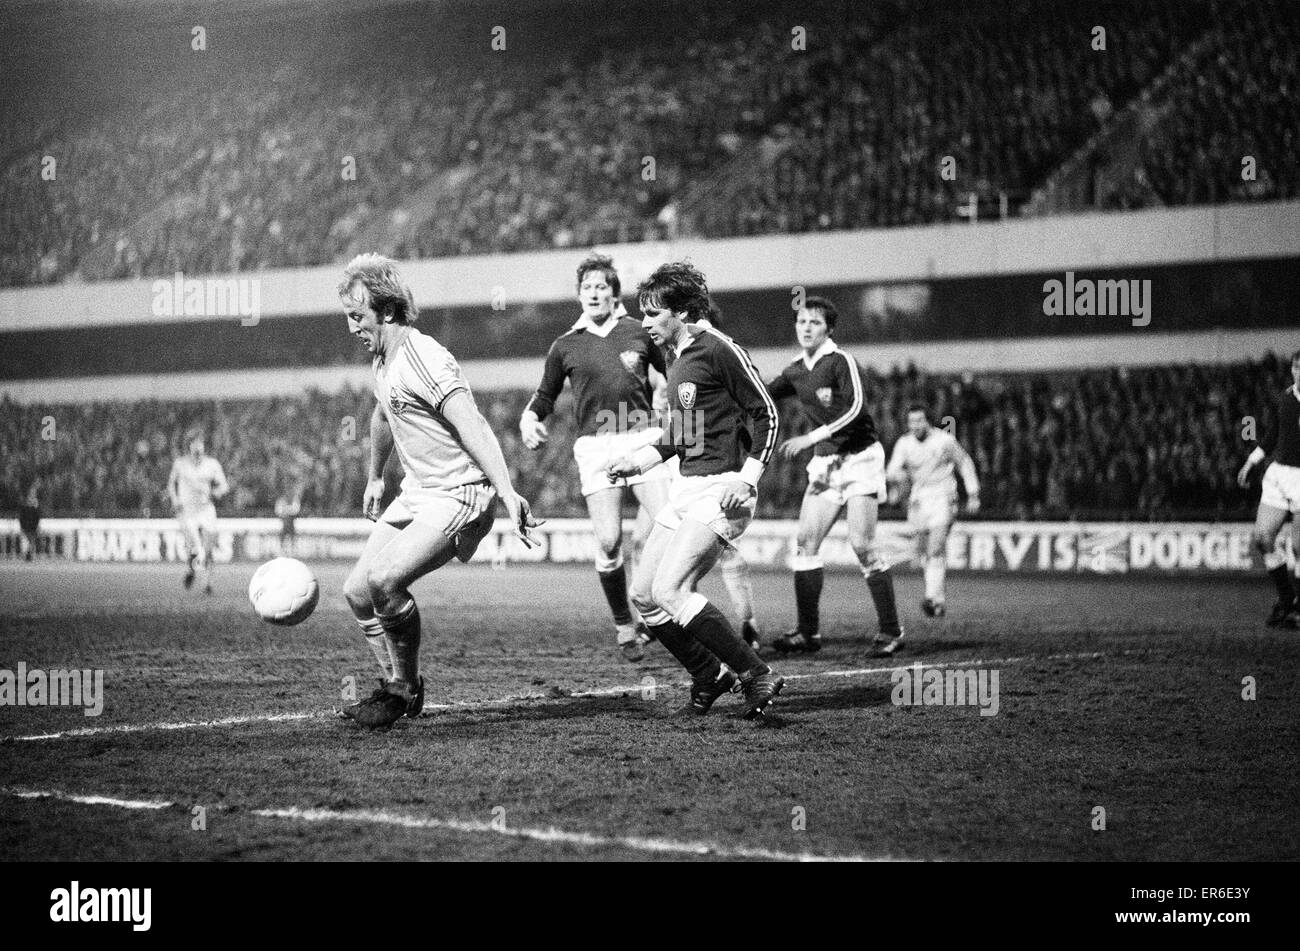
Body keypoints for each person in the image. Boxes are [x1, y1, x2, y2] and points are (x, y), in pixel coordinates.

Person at [338, 253, 541, 728]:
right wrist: (374, 476)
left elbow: (472, 423)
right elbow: (382, 414)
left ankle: (403, 689)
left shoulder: (424, 356)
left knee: (385, 580)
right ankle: (397, 687)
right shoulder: (383, 357)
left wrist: (507, 491)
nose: (351, 328)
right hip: (418, 491)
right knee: (356, 592)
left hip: (460, 491)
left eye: (357, 316)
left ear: (386, 311)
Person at [608, 262, 784, 718]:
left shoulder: (719, 349)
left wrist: (746, 479)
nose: (644, 323)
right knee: (644, 595)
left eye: (652, 313)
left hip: (722, 487)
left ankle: (756, 672)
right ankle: (708, 675)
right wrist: (640, 460)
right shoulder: (676, 355)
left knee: (671, 589)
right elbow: (682, 432)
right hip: (687, 488)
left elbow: (767, 414)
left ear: (682, 311)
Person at [520, 253, 670, 662]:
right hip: (596, 446)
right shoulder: (565, 345)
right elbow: (546, 394)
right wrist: (530, 417)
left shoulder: (639, 332)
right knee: (608, 541)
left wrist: (668, 395)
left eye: (602, 286)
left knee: (669, 521)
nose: (594, 293)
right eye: (587, 287)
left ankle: (657, 605)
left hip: (642, 437)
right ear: (579, 295)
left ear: (614, 293)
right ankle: (625, 624)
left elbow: (673, 373)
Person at [764, 297, 904, 657]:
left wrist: (810, 438)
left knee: (862, 544)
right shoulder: (796, 369)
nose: (806, 327)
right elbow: (762, 395)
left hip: (860, 460)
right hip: (827, 465)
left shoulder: (840, 361)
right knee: (805, 544)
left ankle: (891, 630)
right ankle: (807, 634)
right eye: (801, 321)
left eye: (814, 322)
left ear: (829, 329)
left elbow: (856, 409)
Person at [695, 301, 763, 651]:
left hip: (721, 470)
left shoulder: (721, 355)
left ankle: (736, 632)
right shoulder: (677, 362)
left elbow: (763, 411)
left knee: (707, 554)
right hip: (686, 467)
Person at [886, 405, 980, 617]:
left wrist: (973, 494)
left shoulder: (944, 441)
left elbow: (964, 463)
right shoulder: (904, 443)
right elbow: (892, 470)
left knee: (936, 547)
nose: (916, 425)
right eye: (912, 421)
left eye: (920, 420)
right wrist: (897, 481)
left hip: (943, 496)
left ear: (928, 421)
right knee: (924, 551)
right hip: (919, 499)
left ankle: (932, 598)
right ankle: (937, 601)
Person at [1237, 349, 1300, 628]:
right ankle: (1287, 598)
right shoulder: (1286, 398)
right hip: (1280, 473)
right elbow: (1273, 433)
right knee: (1263, 539)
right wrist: (1251, 462)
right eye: (1297, 367)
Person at [168, 430, 229, 593]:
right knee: (194, 548)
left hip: (206, 509)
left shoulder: (212, 464)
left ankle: (207, 584)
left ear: (203, 448)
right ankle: (192, 570)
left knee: (208, 549)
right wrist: (175, 500)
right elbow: (171, 484)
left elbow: (224, 486)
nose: (197, 451)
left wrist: (215, 492)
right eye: (194, 447)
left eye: (199, 448)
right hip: (187, 511)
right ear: (189, 448)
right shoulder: (180, 464)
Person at [17, 479, 41, 561]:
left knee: (31, 541)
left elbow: (37, 517)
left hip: (32, 526)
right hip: (27, 525)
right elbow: (22, 517)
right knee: (28, 541)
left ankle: (29, 556)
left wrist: (37, 525)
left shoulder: (35, 505)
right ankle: (27, 555)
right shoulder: (26, 506)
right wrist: (22, 526)